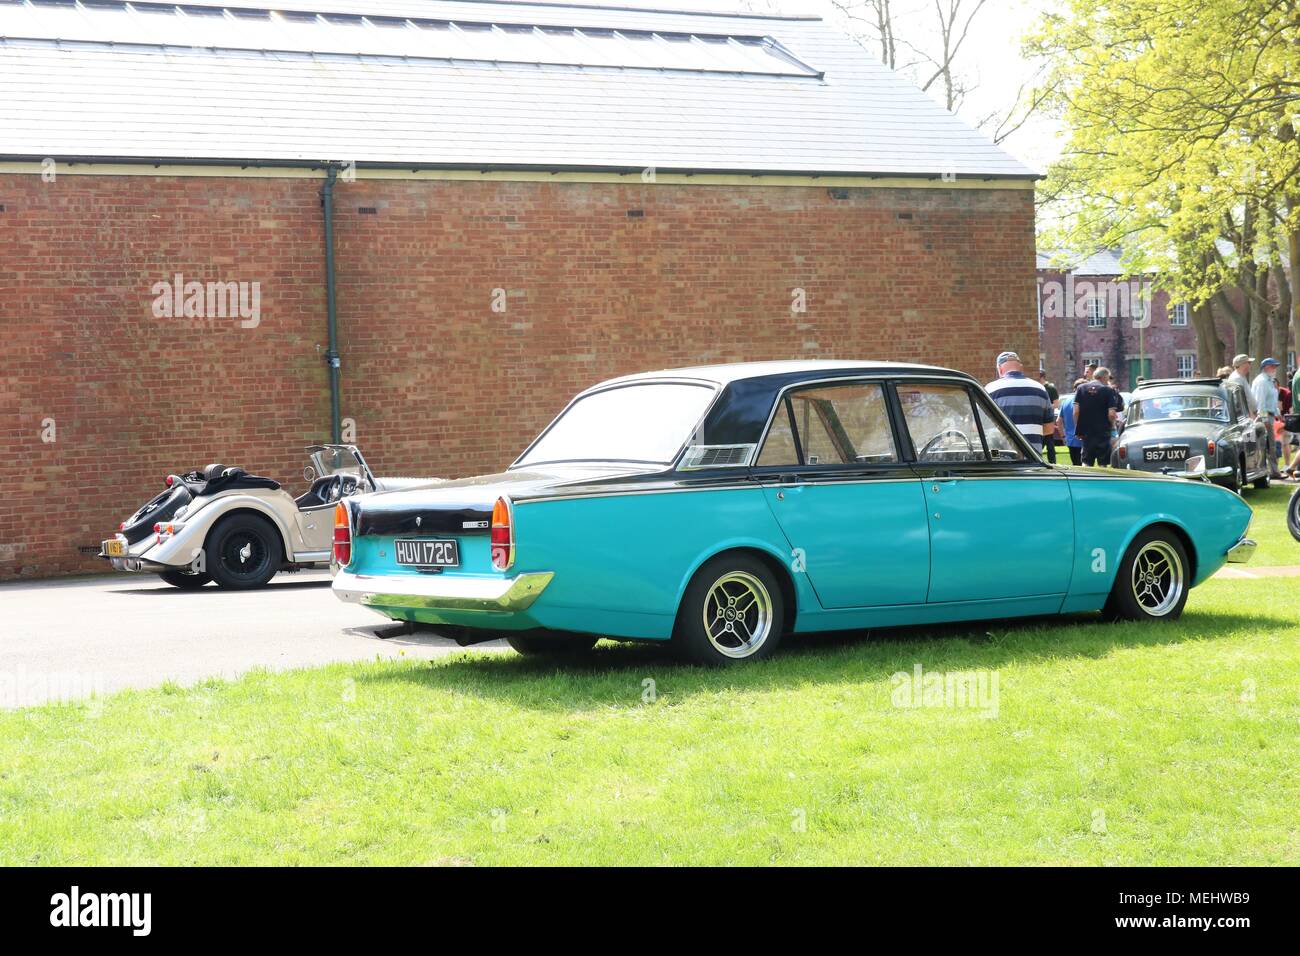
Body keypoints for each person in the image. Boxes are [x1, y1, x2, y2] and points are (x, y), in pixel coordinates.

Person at [986, 351, 1055, 455]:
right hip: (1033, 456)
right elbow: (1049, 428)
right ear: (1021, 367)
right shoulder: (1040, 389)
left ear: (999, 369)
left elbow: (979, 426)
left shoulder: (990, 389)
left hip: (1001, 456)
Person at [1073, 367, 1123, 466]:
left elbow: (1076, 412)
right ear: (1104, 377)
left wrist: (1078, 429)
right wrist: (1112, 427)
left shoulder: (1080, 388)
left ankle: (1086, 481)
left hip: (1086, 432)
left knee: (1086, 463)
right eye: (1108, 378)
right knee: (1103, 464)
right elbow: (1112, 414)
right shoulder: (1108, 390)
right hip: (1103, 431)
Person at [1252, 358, 1283, 478]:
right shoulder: (1262, 382)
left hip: (1269, 415)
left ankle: (1272, 471)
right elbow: (1261, 403)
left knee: (1270, 445)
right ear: (1265, 368)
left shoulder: (1269, 381)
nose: (1275, 369)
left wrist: (1277, 413)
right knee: (1265, 445)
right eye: (1273, 366)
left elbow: (1272, 401)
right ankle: (1267, 472)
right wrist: (1264, 420)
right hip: (1263, 417)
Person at [1059, 378, 1086, 465]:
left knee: (1075, 464)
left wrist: (1063, 437)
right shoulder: (1084, 401)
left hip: (1070, 439)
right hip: (1083, 438)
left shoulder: (1066, 401)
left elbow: (1059, 421)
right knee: (1085, 467)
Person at [1037, 368, 1061, 463]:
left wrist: (1044, 406)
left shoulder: (1050, 388)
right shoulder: (1037, 388)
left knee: (1050, 443)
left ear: (1041, 376)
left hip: (1048, 419)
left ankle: (1053, 462)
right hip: (1038, 419)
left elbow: (1056, 404)